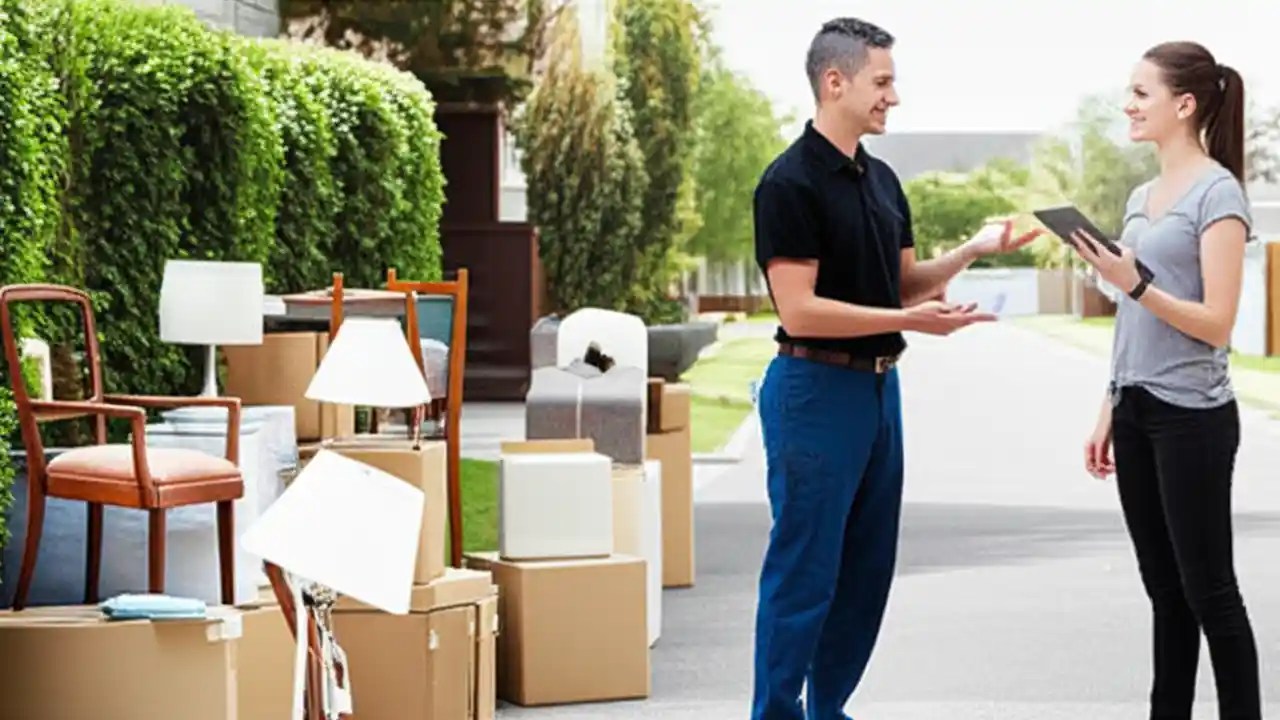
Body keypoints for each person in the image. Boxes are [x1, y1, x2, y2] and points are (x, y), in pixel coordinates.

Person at [750, 17, 1041, 720]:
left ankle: (829, 709)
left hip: (880, 393)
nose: (894, 97)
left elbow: (903, 286)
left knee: (866, 571)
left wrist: (973, 248)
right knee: (805, 571)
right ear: (835, 81)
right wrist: (910, 323)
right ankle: (776, 713)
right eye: (882, 82)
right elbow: (801, 309)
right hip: (815, 389)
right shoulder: (788, 183)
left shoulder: (881, 181)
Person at [1069, 41, 1261, 720]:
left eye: (1141, 93)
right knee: (1164, 593)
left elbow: (1216, 323)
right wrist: (1108, 406)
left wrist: (1136, 280)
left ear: (1184, 105)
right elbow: (1133, 316)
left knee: (1209, 591)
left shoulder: (1220, 193)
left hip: (1193, 417)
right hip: (1136, 408)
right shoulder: (1140, 196)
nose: (1128, 104)